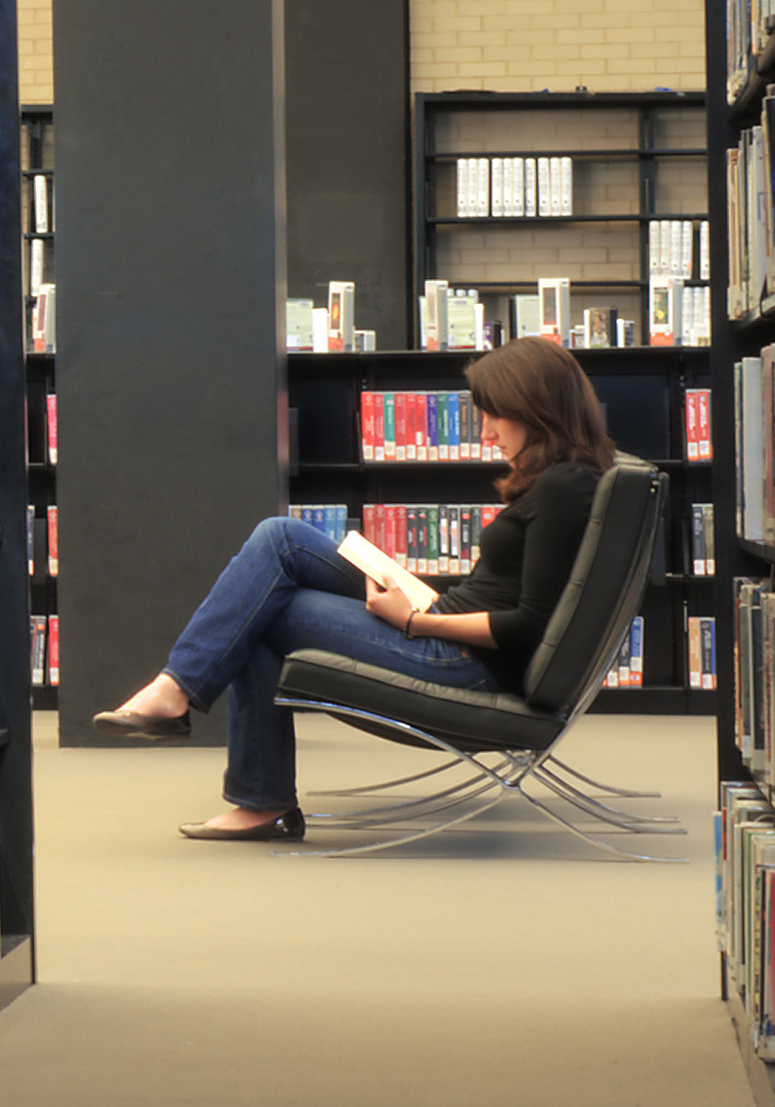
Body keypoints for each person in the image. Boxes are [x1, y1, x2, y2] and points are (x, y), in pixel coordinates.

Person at [93, 334, 618, 840]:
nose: (485, 433)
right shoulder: (570, 479)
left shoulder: (564, 488)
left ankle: (211, 735)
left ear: (535, 409)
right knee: (281, 539)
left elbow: (528, 625)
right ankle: (193, 712)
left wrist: (414, 621)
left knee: (261, 611)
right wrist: (416, 601)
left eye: (494, 415)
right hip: (444, 626)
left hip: (461, 661)